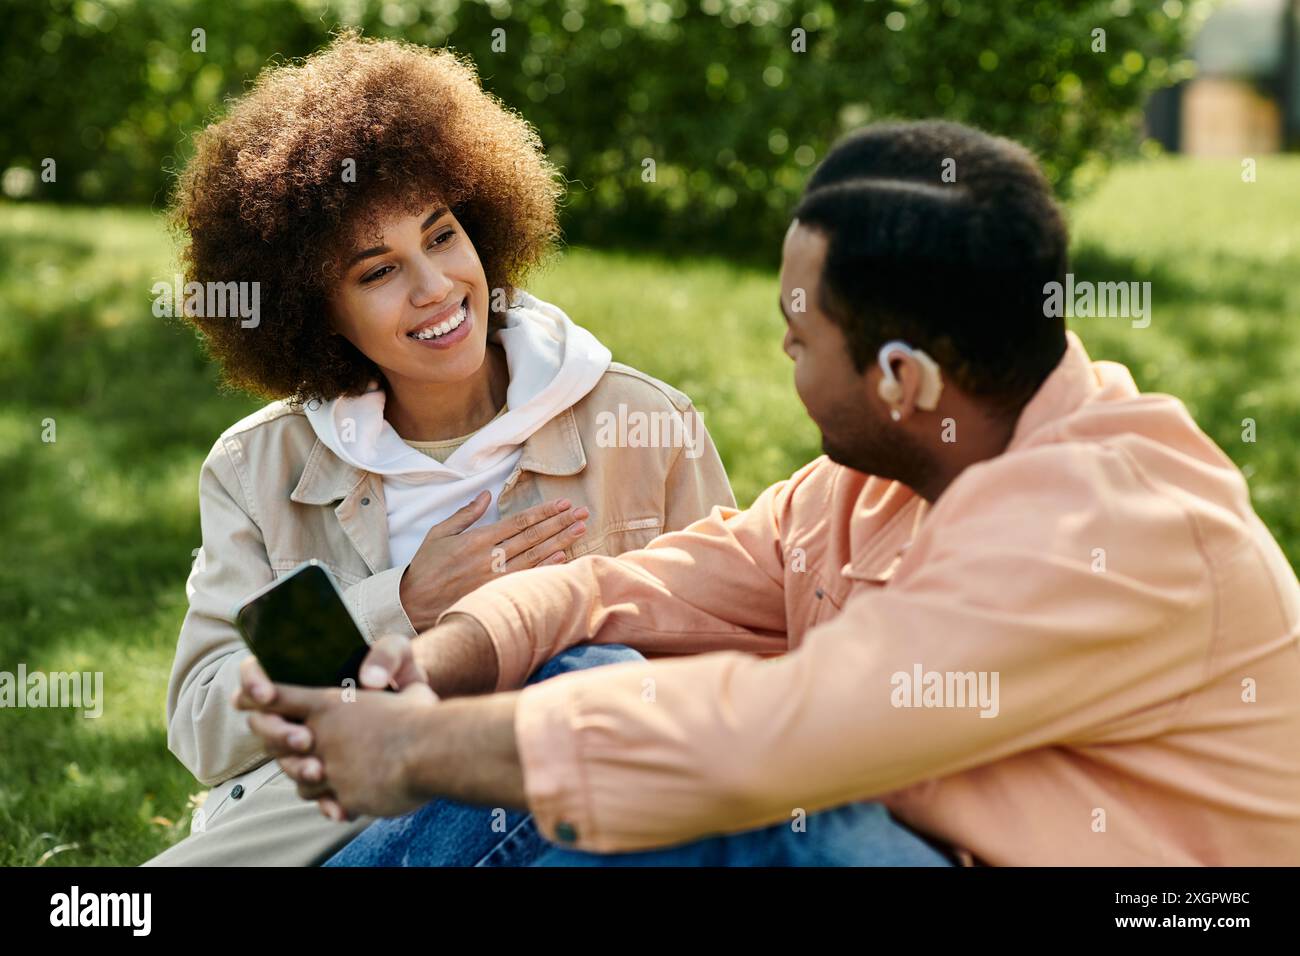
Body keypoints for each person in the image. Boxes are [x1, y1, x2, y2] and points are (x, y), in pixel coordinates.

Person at [239, 120, 1300, 866]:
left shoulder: (1099, 526)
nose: (782, 362)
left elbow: (764, 739)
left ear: (902, 379)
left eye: (801, 342)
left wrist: (415, 752)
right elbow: (617, 590)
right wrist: (425, 666)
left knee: (755, 811)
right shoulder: (878, 478)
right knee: (599, 674)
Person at [143, 33, 734, 867]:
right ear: (316, 313)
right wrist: (402, 606)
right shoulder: (259, 469)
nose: (435, 287)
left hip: (593, 831)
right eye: (377, 272)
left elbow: (736, 655)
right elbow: (206, 725)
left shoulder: (643, 421)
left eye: (443, 236)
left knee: (585, 684)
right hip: (346, 844)